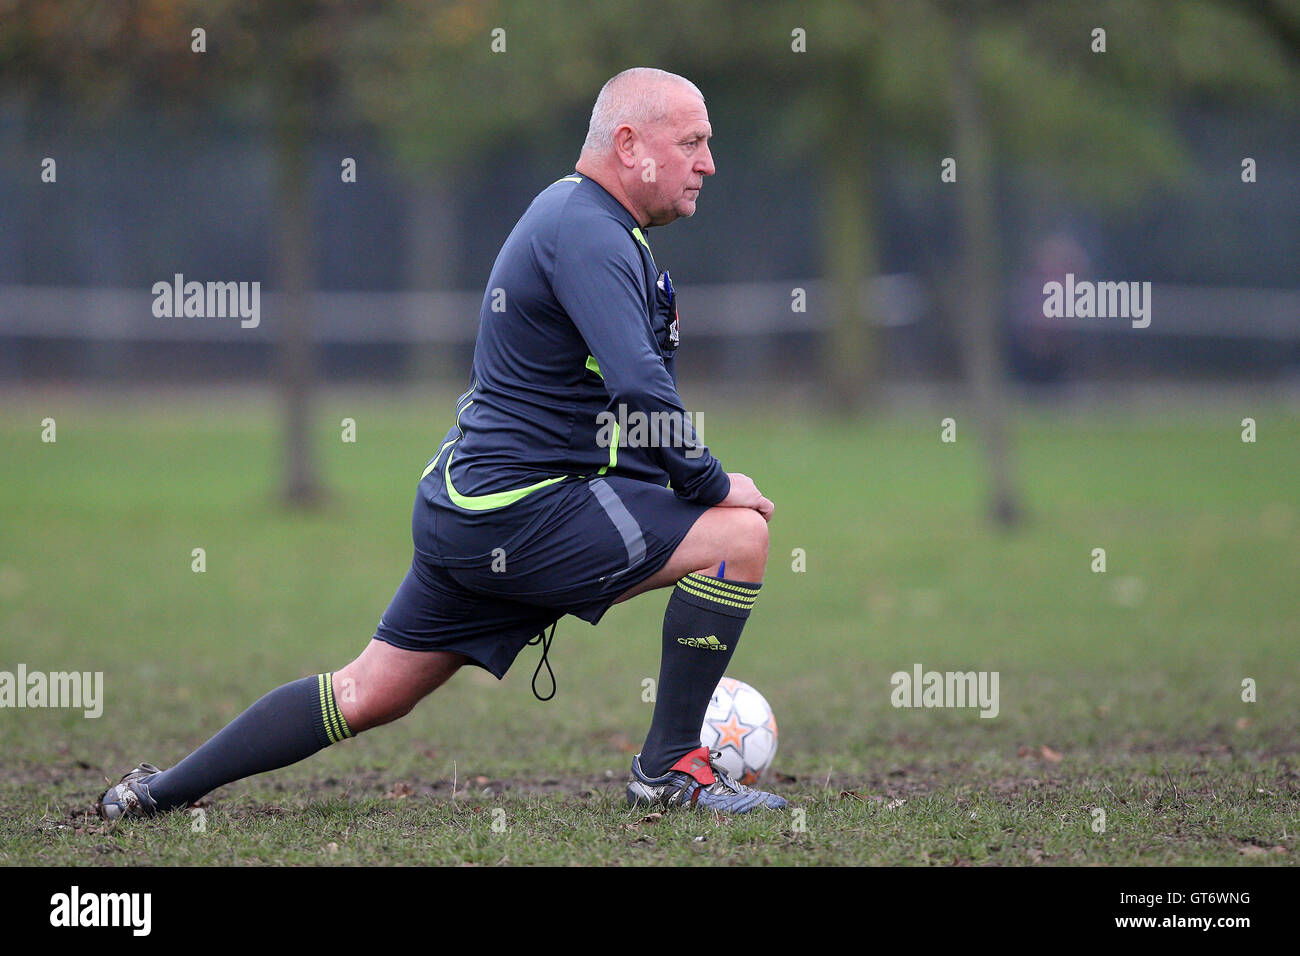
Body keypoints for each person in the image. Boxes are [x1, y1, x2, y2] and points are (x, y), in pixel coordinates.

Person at [98, 67, 787, 820]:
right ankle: (669, 773)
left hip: (473, 507)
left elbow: (617, 400)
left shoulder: (588, 222)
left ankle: (152, 795)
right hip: (522, 513)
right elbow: (638, 387)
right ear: (629, 144)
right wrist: (712, 484)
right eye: (691, 141)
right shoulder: (587, 230)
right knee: (736, 538)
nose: (707, 163)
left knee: (363, 692)